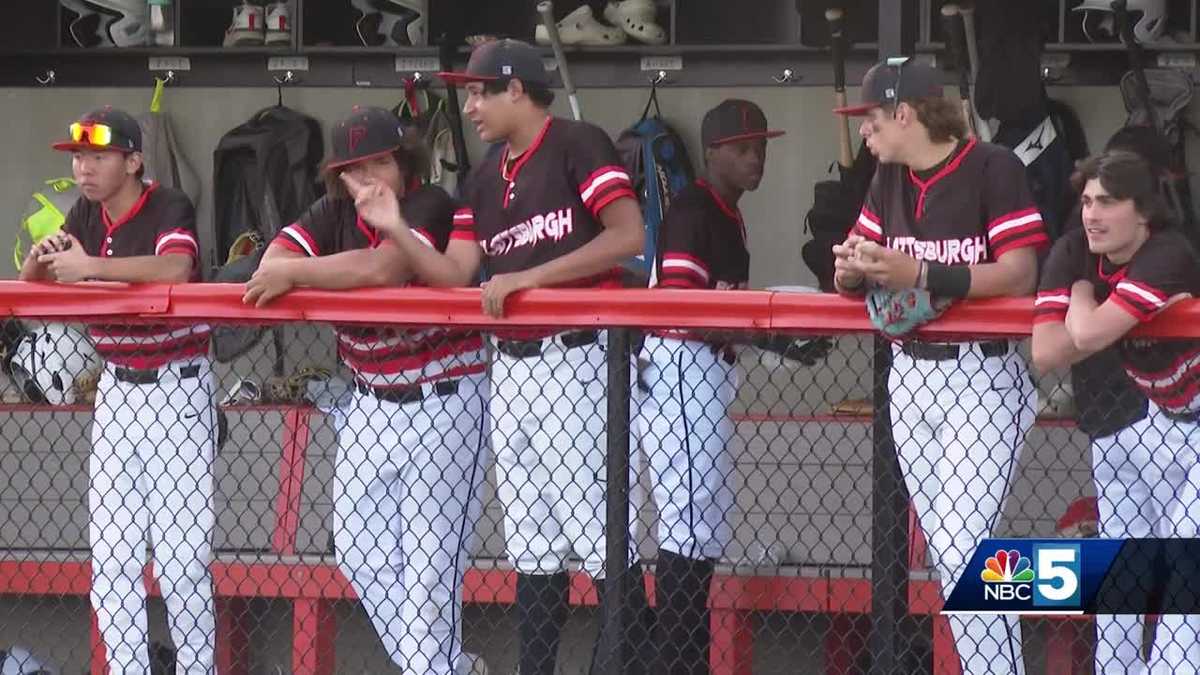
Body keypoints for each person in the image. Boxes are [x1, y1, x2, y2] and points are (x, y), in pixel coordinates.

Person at [344, 38, 644, 675]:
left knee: (598, 537)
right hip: (510, 369)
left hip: (581, 363)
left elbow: (628, 237)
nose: (471, 105)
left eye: (481, 91)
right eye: (468, 93)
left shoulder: (578, 142)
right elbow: (455, 275)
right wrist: (395, 226)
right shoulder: (483, 175)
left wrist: (529, 282)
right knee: (532, 546)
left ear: (517, 89)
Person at [242, 106, 491, 675]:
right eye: (356, 167)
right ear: (338, 175)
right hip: (370, 401)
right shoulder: (332, 210)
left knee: (430, 572)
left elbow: (382, 268)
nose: (371, 176)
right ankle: (444, 667)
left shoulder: (428, 204)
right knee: (358, 552)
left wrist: (303, 274)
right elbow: (272, 259)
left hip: (443, 397)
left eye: (381, 160)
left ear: (404, 161)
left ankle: (436, 667)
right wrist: (301, 268)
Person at [831, 58, 1048, 673]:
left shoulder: (992, 166)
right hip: (910, 372)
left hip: (981, 376)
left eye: (872, 120)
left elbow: (1020, 273)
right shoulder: (888, 179)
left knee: (963, 549)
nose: (865, 133)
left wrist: (917, 272)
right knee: (951, 554)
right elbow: (857, 254)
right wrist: (851, 269)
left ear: (905, 113)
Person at [21, 106, 215, 674]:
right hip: (117, 391)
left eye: (98, 156)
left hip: (176, 389)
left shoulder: (166, 203)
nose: (83, 167)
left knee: (181, 561)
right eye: (78, 156)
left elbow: (176, 268)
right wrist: (43, 259)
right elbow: (40, 279)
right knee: (112, 559)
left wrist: (90, 271)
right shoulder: (85, 212)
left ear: (133, 160)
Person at [1032, 150, 1200, 673]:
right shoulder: (1076, 249)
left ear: (1144, 210)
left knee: (1185, 566)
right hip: (1155, 416)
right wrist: (1102, 311)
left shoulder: (1168, 251)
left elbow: (1083, 334)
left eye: (1107, 202)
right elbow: (1045, 352)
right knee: (1125, 572)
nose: (1092, 215)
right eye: (1086, 201)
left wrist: (1084, 294)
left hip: (1189, 425)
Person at [637, 98, 783, 674]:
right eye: (745, 149)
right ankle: (677, 661)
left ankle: (682, 658)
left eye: (763, 149)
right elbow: (682, 305)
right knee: (687, 525)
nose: (757, 159)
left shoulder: (726, 210)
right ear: (715, 152)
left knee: (701, 526)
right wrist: (769, 336)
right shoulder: (694, 210)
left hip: (704, 373)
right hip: (680, 368)